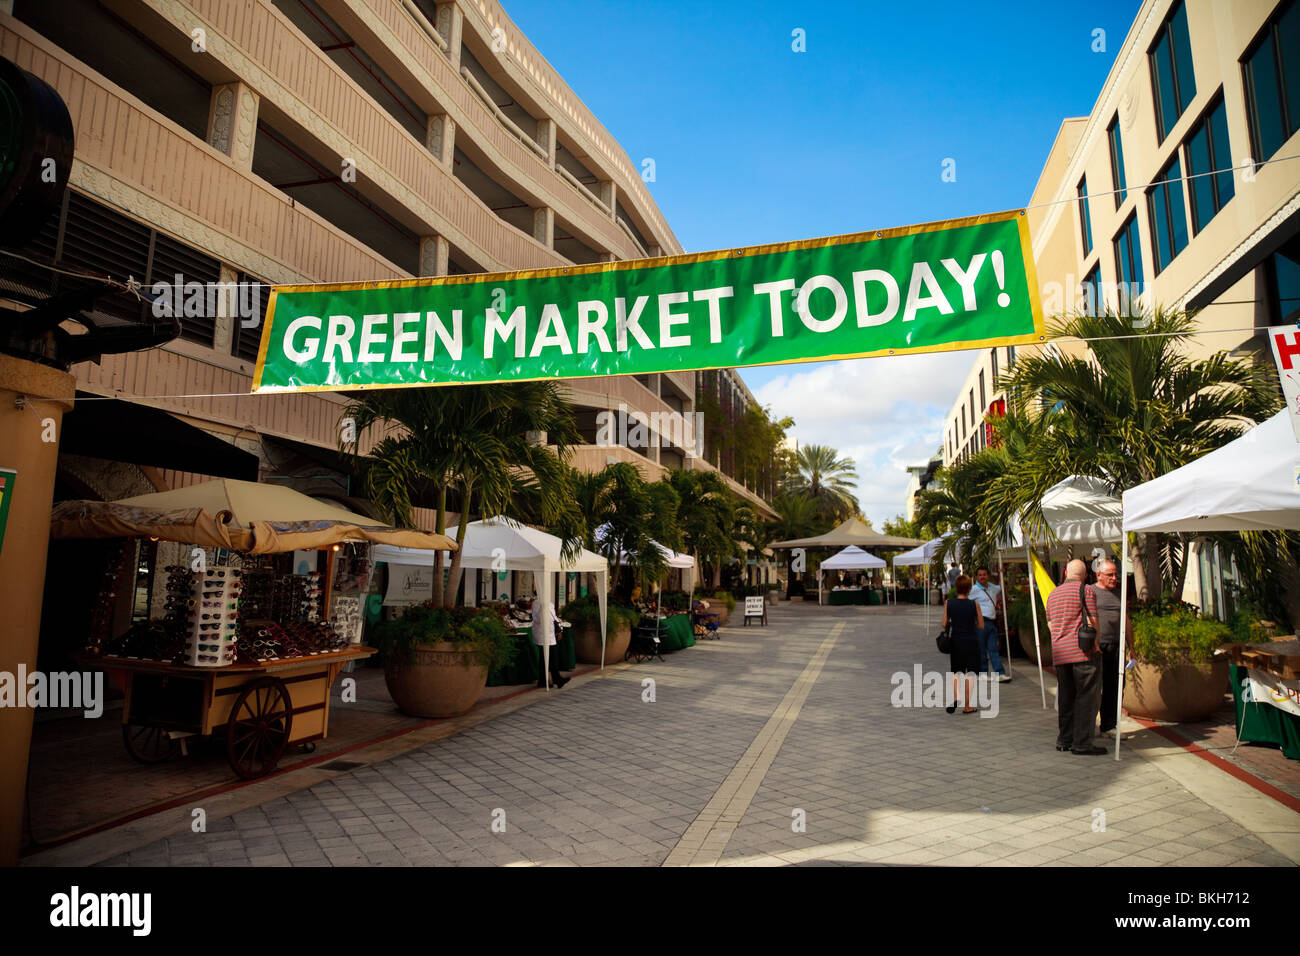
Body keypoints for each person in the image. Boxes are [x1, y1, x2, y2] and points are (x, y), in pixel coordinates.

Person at [1045, 559, 1102, 754]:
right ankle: (1082, 743)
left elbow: (1050, 624)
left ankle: (1064, 740)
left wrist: (1061, 636)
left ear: (1066, 573)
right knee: (1086, 697)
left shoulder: (1052, 594)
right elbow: (1092, 619)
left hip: (1060, 654)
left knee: (1066, 698)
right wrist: (1096, 644)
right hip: (1082, 652)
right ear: (1085, 575)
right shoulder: (1086, 590)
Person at [1094, 560, 1131, 737]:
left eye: (1116, 574)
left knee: (1116, 686)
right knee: (1093, 687)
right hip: (1097, 647)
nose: (1114, 578)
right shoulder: (1090, 592)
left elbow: (1127, 620)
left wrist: (1132, 646)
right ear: (1098, 575)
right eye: (1110, 574)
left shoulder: (1119, 593)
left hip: (1117, 647)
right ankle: (1088, 725)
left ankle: (1109, 725)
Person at [942, 574, 983, 714]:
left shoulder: (949, 603)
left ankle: (957, 696)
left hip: (956, 640)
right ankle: (967, 705)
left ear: (957, 587)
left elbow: (943, 623)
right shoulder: (974, 604)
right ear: (969, 588)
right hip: (971, 640)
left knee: (956, 670)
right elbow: (981, 625)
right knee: (970, 672)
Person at [971, 567, 1010, 683]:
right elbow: (966, 602)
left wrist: (1001, 574)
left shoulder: (992, 587)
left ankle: (1000, 673)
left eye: (984, 574)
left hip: (992, 622)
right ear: (977, 577)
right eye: (980, 575)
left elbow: (1002, 588)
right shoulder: (974, 589)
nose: (982, 577)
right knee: (982, 649)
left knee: (993, 648)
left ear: (988, 576)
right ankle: (982, 673)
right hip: (981, 622)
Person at [532, 598, 569, 689]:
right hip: (542, 634)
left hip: (550, 634)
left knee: (550, 658)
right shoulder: (536, 603)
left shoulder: (550, 603)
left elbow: (554, 618)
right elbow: (537, 619)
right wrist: (542, 609)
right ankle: (555, 679)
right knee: (548, 658)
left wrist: (559, 629)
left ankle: (546, 680)